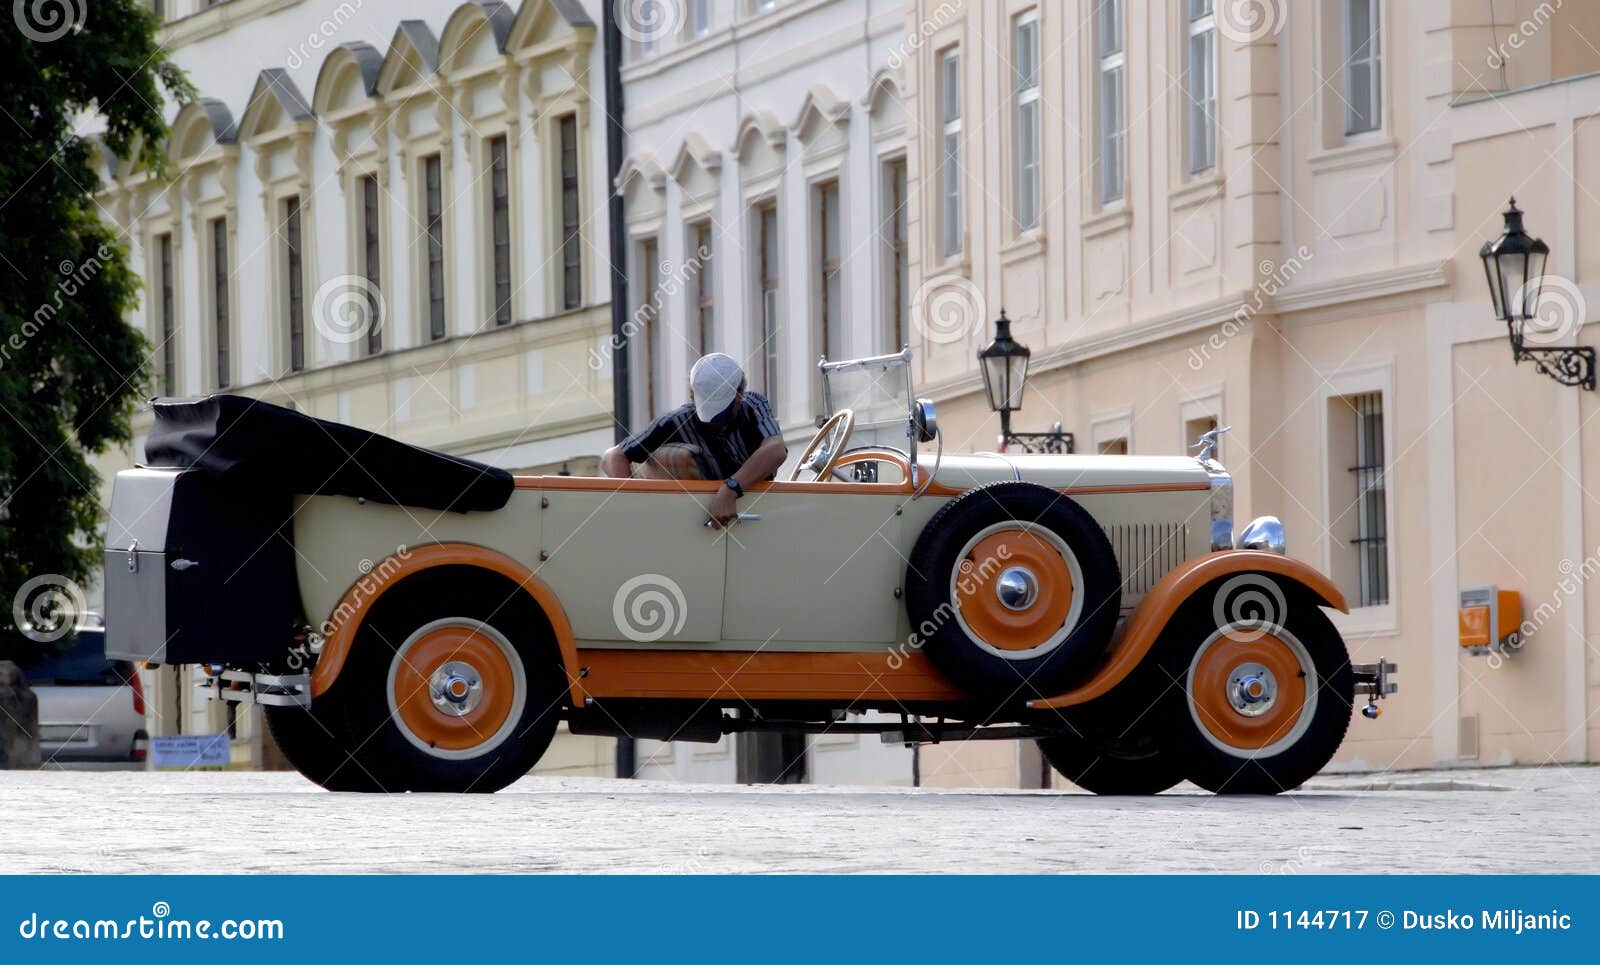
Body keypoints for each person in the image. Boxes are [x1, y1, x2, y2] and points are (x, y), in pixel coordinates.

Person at [600, 353, 788, 527]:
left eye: (722, 414)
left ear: (740, 394)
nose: (716, 423)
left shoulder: (754, 405)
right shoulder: (676, 422)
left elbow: (776, 449)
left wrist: (729, 490)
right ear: (692, 397)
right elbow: (613, 457)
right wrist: (635, 507)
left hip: (762, 512)